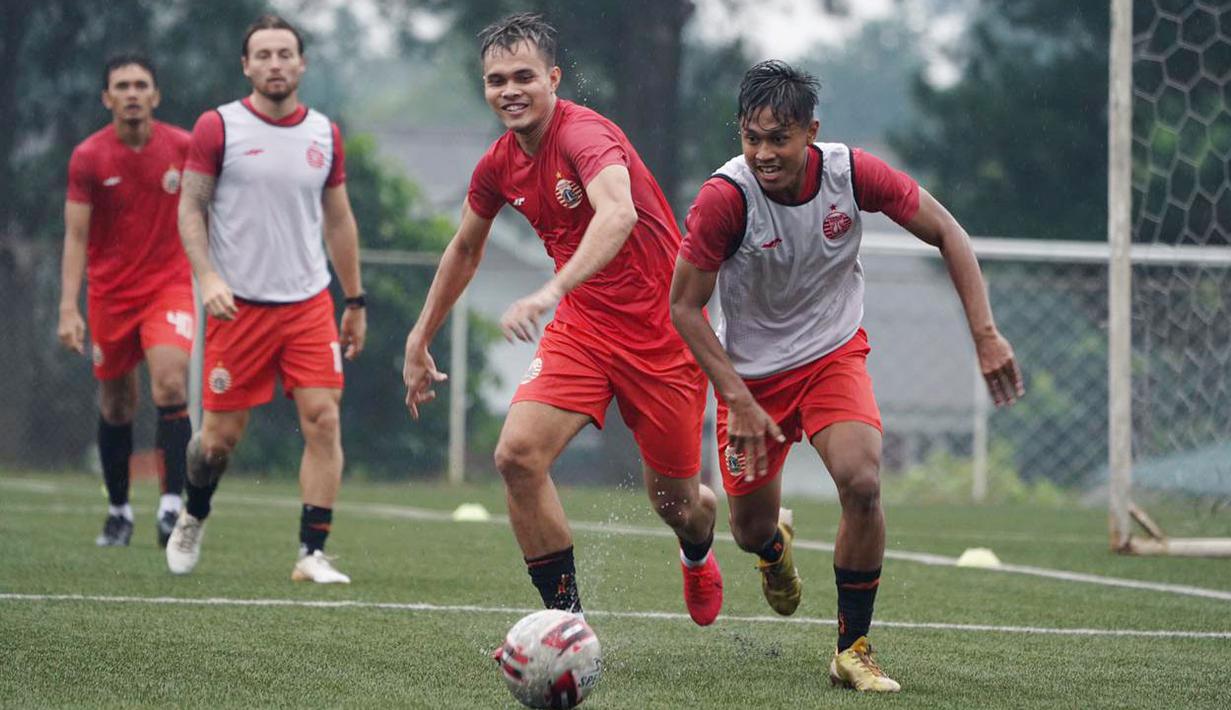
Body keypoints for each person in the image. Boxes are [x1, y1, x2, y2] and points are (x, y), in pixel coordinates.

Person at [669, 60, 1025, 692]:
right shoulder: (724, 200)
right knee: (748, 530)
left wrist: (985, 334)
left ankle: (851, 650)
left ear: (811, 132)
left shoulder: (851, 173)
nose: (764, 154)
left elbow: (948, 232)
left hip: (834, 356)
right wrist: (737, 397)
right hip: (750, 379)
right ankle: (774, 549)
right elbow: (683, 306)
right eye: (752, 139)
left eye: (779, 138)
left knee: (862, 482)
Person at [402, 13, 723, 625]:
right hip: (583, 329)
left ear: (553, 78)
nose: (510, 90)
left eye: (524, 76)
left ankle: (697, 550)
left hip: (663, 335)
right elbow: (465, 248)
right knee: (516, 456)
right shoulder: (497, 164)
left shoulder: (586, 137)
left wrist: (548, 290)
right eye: (496, 80)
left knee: (676, 503)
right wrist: (421, 335)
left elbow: (618, 215)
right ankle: (566, 628)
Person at [166, 14, 366, 584]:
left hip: (307, 305)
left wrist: (355, 301)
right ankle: (194, 512)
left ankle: (312, 553)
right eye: (264, 55)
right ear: (246, 65)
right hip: (238, 307)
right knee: (217, 444)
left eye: (285, 54)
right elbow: (191, 208)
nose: (275, 64)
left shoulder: (325, 134)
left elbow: (339, 220)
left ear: (301, 65)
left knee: (323, 419)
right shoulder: (218, 127)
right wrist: (206, 277)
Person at [59, 54, 195, 549]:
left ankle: (171, 507)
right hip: (110, 294)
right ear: (107, 98)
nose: (133, 92)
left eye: (141, 84)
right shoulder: (89, 157)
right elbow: (75, 236)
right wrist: (68, 308)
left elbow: (208, 208)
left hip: (168, 287)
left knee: (170, 382)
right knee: (117, 404)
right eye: (122, 85)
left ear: (156, 96)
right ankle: (118, 512)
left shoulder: (182, 147)